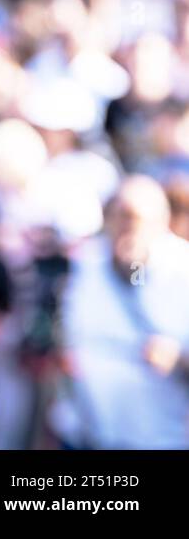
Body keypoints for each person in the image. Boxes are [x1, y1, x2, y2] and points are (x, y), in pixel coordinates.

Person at [51, 175, 189, 448]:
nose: (127, 228)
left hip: (160, 435)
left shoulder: (181, 270)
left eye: (135, 219)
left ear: (161, 221)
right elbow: (69, 333)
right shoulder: (86, 262)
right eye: (119, 216)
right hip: (90, 430)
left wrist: (178, 359)